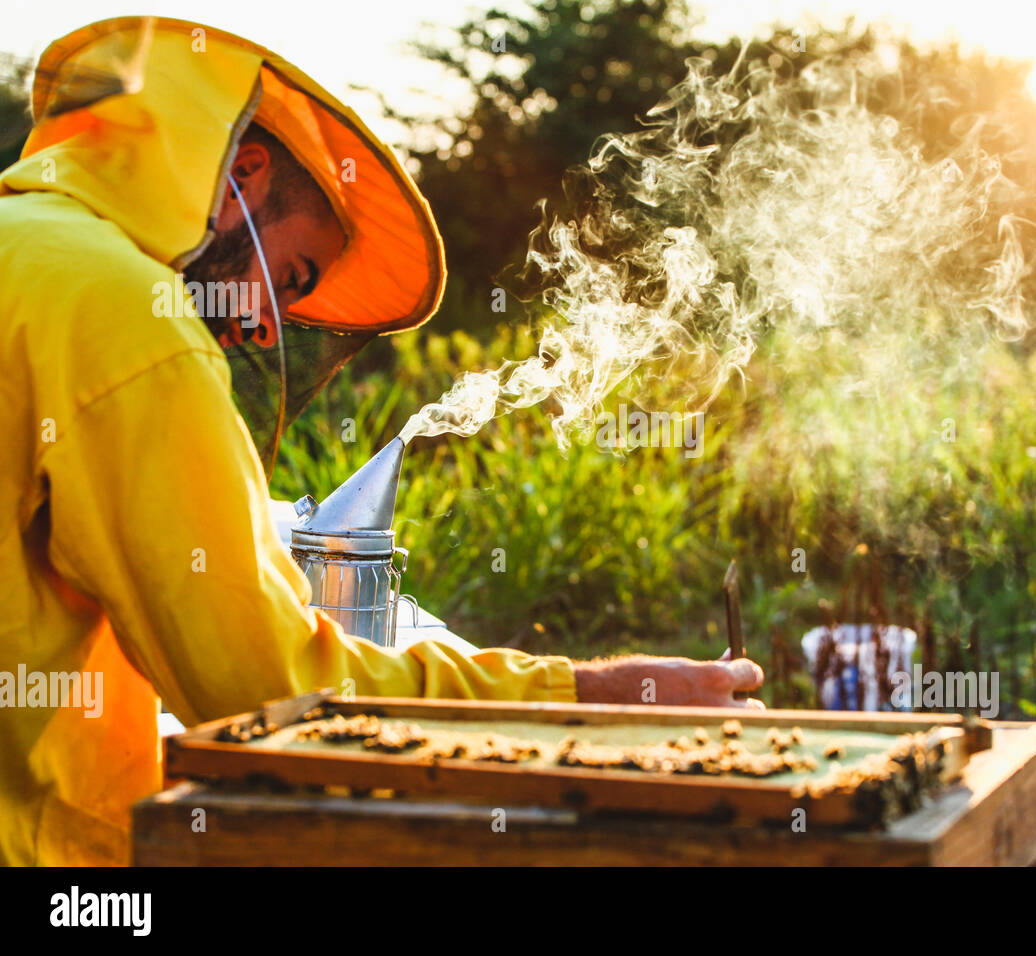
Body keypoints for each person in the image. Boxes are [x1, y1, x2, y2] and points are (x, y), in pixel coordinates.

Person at [0, 17, 761, 867]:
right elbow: (264, 690)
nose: (260, 322)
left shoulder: (23, 249)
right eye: (289, 278)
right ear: (242, 178)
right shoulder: (124, 315)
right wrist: (578, 693)